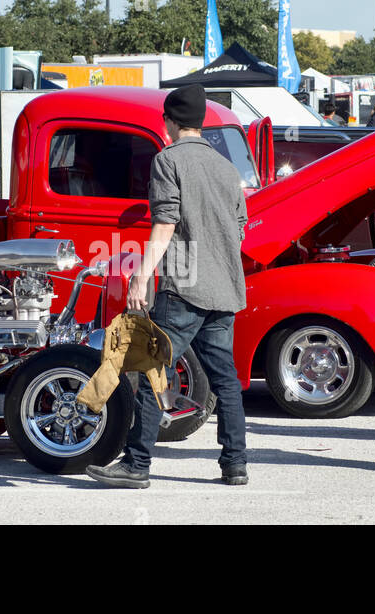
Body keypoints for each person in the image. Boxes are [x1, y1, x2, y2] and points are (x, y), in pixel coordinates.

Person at [84, 84, 249, 489]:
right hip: (225, 285)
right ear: (202, 122)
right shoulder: (227, 168)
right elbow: (240, 227)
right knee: (225, 378)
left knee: (150, 367)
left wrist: (142, 273)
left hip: (184, 287)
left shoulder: (167, 160)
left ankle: (137, 464)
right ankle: (235, 465)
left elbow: (165, 223)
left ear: (170, 122)